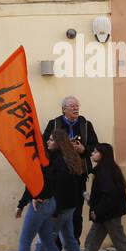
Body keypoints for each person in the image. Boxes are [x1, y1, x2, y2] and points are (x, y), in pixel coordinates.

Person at [0, 154, 73, 251]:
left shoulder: (40, 160)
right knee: (48, 242)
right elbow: (39, 184)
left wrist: (36, 197)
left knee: (25, 241)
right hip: (49, 202)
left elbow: (35, 184)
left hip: (40, 205)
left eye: (52, 140)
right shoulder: (52, 160)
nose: (49, 141)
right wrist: (25, 202)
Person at [24, 131, 85, 251]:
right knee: (69, 239)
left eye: (51, 140)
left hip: (61, 207)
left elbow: (60, 189)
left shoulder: (59, 162)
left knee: (45, 239)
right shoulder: (69, 159)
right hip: (70, 206)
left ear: (58, 143)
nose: (48, 142)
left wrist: (54, 211)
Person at [42, 96, 98, 240]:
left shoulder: (86, 125)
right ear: (63, 109)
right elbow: (44, 146)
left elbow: (95, 147)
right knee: (57, 209)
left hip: (78, 175)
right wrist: (62, 148)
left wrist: (83, 149)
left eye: (77, 106)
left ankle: (74, 241)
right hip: (58, 174)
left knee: (76, 210)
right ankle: (57, 245)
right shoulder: (54, 124)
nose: (75, 108)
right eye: (72, 106)